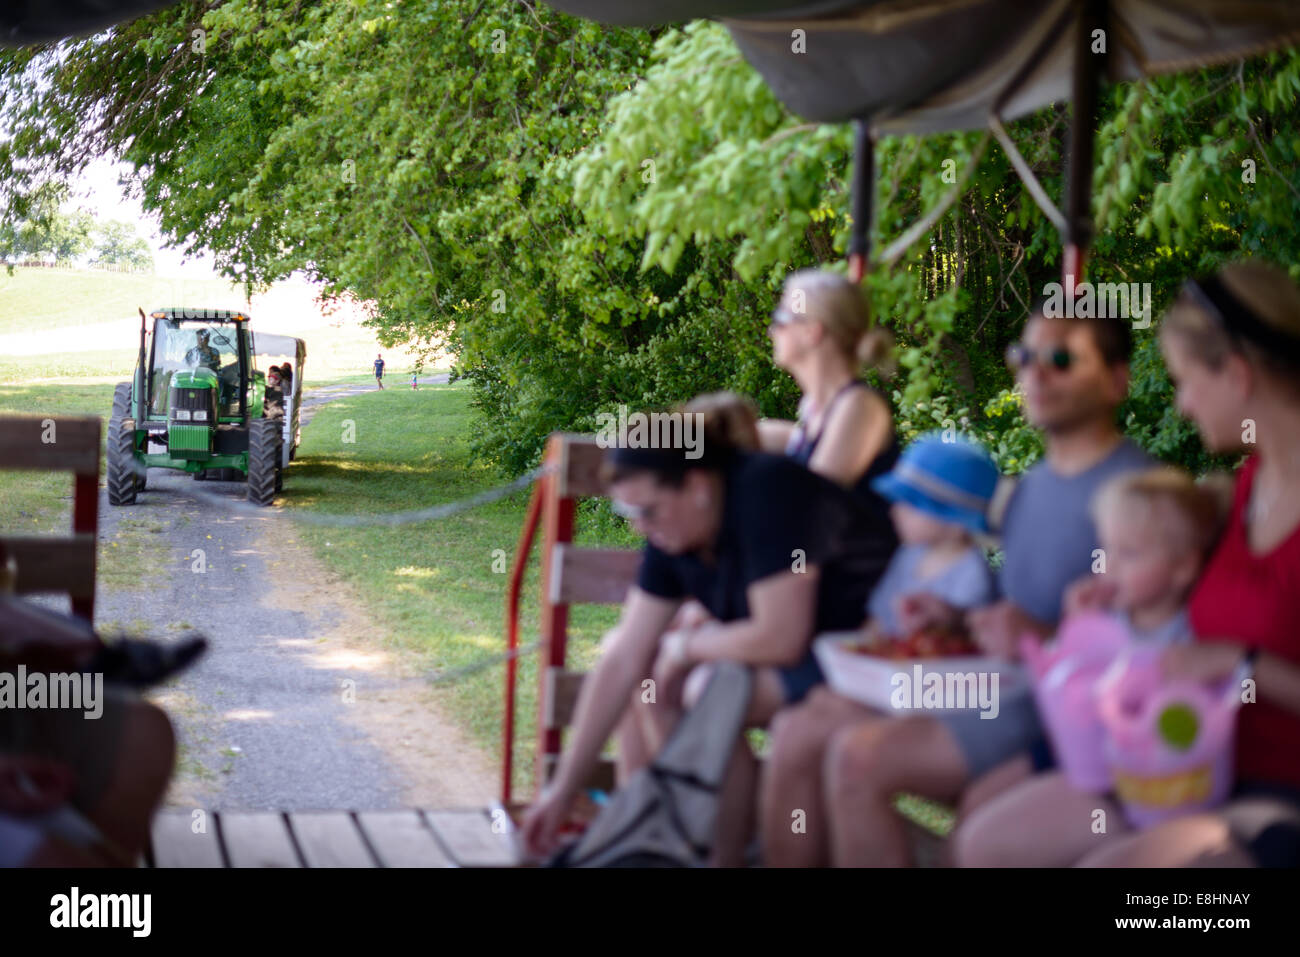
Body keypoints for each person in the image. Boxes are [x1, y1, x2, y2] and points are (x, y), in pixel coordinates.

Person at [760, 301, 1154, 867]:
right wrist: (954, 618)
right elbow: (1011, 613)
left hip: (1060, 718)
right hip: (995, 689)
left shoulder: (1137, 490)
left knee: (858, 758)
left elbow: (1156, 645)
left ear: (1117, 381)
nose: (1035, 374)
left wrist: (1038, 633)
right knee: (805, 727)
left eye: (1062, 359)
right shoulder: (1027, 489)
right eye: (1025, 356)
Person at [967, 262, 1300, 867]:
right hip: (1175, 758)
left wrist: (1238, 662)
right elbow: (1182, 595)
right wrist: (1120, 597)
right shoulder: (1243, 487)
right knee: (982, 843)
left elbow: (1237, 646)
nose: (1182, 403)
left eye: (1185, 380)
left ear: (1238, 375)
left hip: (1273, 792)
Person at [521, 407, 897, 864]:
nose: (641, 526)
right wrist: (563, 791)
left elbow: (781, 637)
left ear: (697, 486)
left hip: (871, 646)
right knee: (655, 683)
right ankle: (700, 845)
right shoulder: (671, 526)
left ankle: (720, 852)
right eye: (628, 513)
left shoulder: (766, 492)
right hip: (811, 645)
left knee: (706, 692)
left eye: (647, 511)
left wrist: (684, 647)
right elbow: (624, 658)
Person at [953, 466, 1228, 865]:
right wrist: (1076, 629)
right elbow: (1072, 688)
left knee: (991, 841)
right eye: (1106, 549)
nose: (1109, 566)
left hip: (1146, 784)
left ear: (1183, 568)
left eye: (1129, 553)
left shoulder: (1192, 633)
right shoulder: (1109, 616)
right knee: (975, 804)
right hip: (1086, 759)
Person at [759, 269, 901, 523]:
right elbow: (793, 440)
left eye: (779, 319)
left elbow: (812, 503)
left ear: (811, 331)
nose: (771, 331)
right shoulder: (816, 409)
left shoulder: (860, 407)